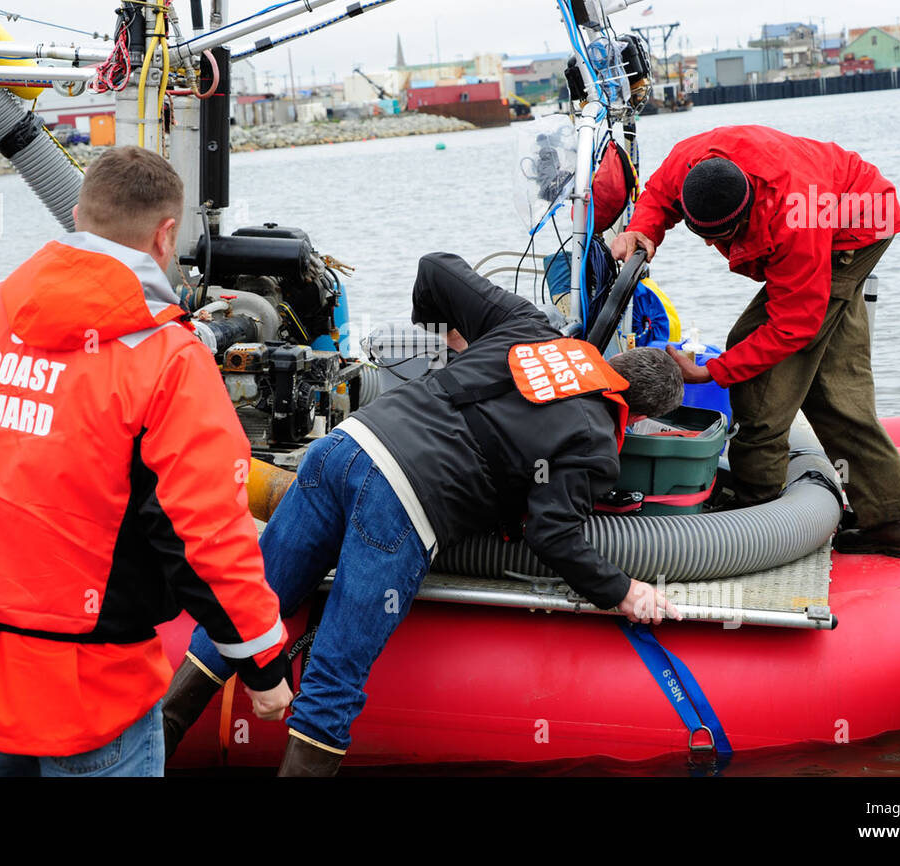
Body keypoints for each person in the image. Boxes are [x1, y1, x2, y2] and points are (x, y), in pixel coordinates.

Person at [162, 252, 685, 776]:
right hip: (402, 501)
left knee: (249, 608)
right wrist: (626, 590)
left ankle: (154, 744)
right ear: (636, 415)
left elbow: (434, 266)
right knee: (334, 678)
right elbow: (553, 535)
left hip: (344, 447)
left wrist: (455, 343)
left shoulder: (527, 326)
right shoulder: (595, 443)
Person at [0, 146, 292, 777]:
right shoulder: (169, 360)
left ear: (75, 215)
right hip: (92, 685)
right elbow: (202, 531)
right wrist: (261, 660)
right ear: (166, 233)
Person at [610, 124, 900, 556]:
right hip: (836, 199)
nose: (710, 245)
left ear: (749, 209)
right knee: (832, 385)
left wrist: (712, 371)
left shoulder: (795, 217)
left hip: (852, 228)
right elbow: (658, 198)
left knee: (763, 376)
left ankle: (758, 514)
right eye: (702, 234)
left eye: (723, 237)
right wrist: (643, 230)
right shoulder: (689, 164)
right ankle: (893, 522)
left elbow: (793, 325)